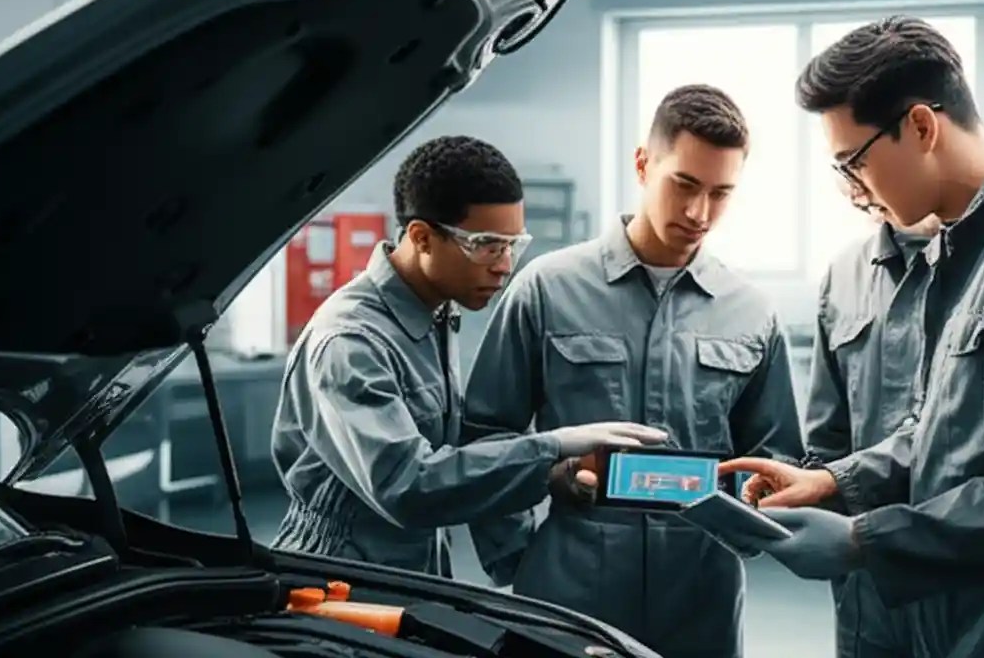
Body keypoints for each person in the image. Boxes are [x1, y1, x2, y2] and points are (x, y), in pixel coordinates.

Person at [723, 16, 984, 658]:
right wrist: (837, 482)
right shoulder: (956, 249)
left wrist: (865, 540)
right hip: (944, 611)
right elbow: (947, 434)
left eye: (853, 161)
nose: (853, 187)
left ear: (921, 126)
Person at [460, 85, 804, 658]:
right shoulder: (547, 288)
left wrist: (745, 516)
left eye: (721, 193)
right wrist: (516, 555)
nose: (700, 213)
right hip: (568, 588)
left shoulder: (751, 310)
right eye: (685, 185)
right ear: (644, 164)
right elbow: (486, 433)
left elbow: (778, 453)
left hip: (702, 594)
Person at [270, 135, 667, 576]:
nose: (504, 265)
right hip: (336, 580)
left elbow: (452, 453)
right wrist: (551, 445)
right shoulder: (350, 343)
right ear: (421, 237)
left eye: (514, 245)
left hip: (409, 571)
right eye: (487, 245)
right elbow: (408, 486)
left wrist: (551, 474)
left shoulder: (434, 312)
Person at [802, 197, 941, 658]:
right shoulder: (844, 275)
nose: (855, 187)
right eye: (843, 171)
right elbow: (826, 438)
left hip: (959, 568)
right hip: (865, 583)